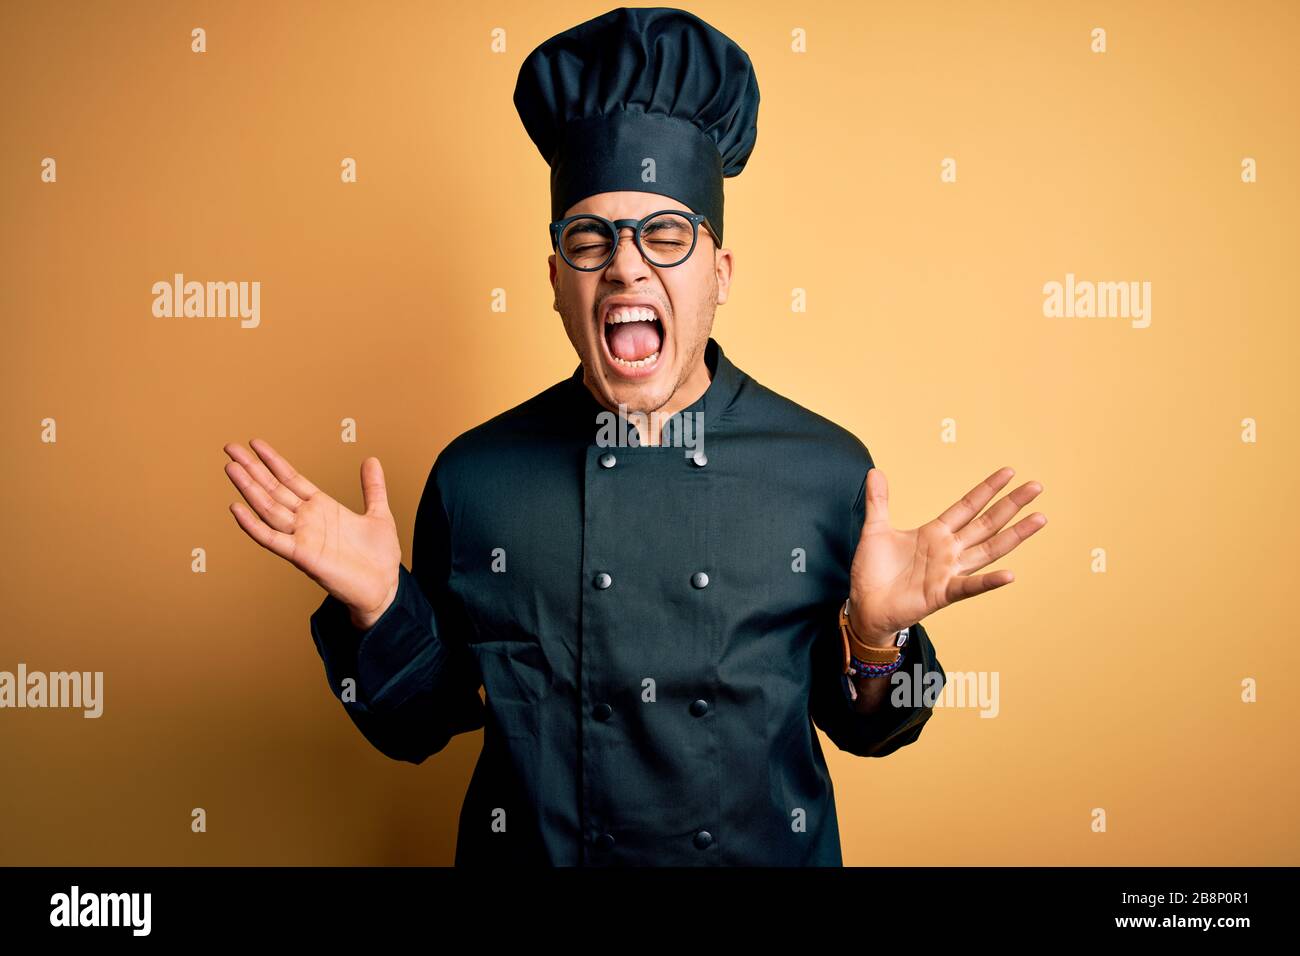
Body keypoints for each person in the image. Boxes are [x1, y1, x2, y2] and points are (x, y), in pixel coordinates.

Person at [222, 6, 1046, 866]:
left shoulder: (827, 471)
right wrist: (381, 609)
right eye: (590, 238)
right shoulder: (475, 480)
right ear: (554, 280)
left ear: (719, 273)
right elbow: (422, 727)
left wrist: (878, 642)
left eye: (664, 234)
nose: (624, 264)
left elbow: (878, 733)